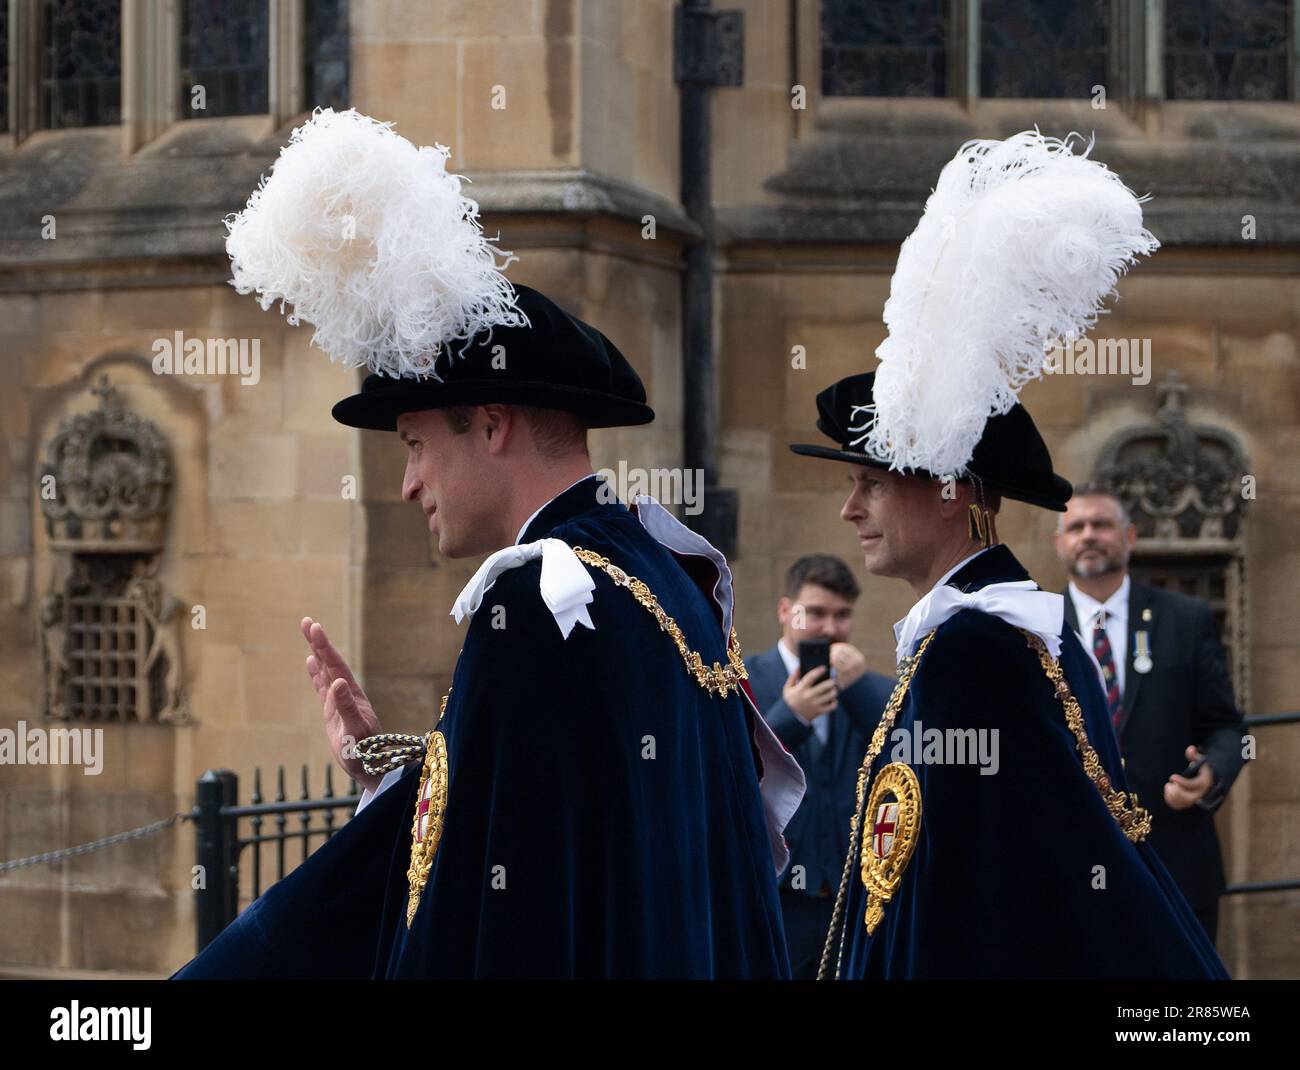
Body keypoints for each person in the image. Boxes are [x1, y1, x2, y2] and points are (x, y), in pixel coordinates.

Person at [173, 108, 803, 979]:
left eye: (416, 445)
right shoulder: (662, 573)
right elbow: (524, 823)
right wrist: (389, 765)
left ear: (493, 423)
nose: (408, 484)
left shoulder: (545, 598)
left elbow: (464, 900)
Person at [790, 130, 1228, 979]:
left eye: (872, 485)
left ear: (950, 488)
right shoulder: (997, 629)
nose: (851, 509)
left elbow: (977, 908)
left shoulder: (978, 649)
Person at [1056, 483, 1247, 943]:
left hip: (1176, 863)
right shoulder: (1034, 628)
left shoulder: (1187, 618)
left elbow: (1228, 728)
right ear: (1059, 542)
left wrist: (1210, 775)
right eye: (1076, 527)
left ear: (1131, 537)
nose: (1089, 535)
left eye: (1102, 524)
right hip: (1068, 864)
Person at [745, 555, 892, 979]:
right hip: (778, 903)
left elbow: (908, 752)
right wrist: (788, 718)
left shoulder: (871, 687)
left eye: (842, 615)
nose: (830, 628)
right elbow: (732, 772)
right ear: (784, 611)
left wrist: (860, 687)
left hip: (855, 905)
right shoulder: (745, 679)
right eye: (816, 613)